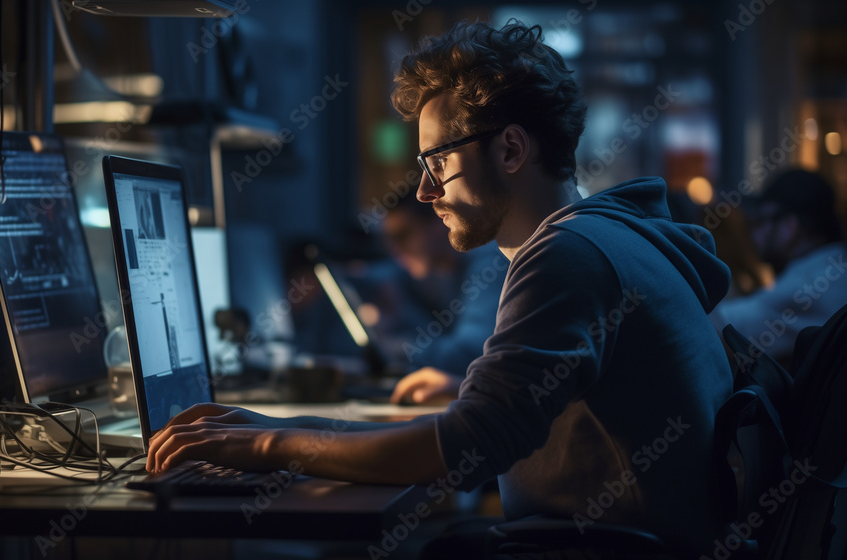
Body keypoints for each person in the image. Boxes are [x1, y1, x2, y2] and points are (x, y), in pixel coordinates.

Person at [147, 21, 732, 556]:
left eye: (437, 164)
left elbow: (464, 449)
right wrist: (276, 429)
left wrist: (264, 447)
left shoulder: (568, 255)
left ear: (509, 149)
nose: (425, 193)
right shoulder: (611, 237)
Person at [374, 189, 503, 403]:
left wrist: (394, 350)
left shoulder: (489, 264)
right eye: (390, 240)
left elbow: (471, 353)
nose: (396, 250)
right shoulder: (446, 272)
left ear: (441, 221)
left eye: (403, 235)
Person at [711, 169, 846, 367]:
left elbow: (721, 328)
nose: (754, 234)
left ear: (790, 226)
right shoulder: (834, 267)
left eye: (761, 221)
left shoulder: (809, 283)